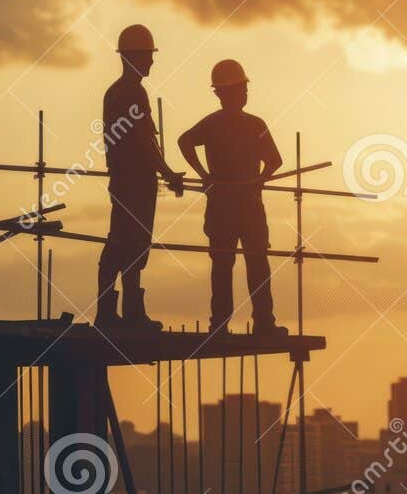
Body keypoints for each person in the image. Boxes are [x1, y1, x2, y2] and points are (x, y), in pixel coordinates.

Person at [178, 59, 287, 337]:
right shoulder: (227, 124)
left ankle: (249, 323)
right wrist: (205, 174)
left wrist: (259, 178)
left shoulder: (244, 125)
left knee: (246, 264)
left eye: (244, 88)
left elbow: (274, 160)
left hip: (236, 205)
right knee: (238, 264)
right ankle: (248, 323)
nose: (244, 93)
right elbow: (185, 141)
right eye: (240, 88)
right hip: (232, 206)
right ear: (224, 93)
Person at [95, 24, 183, 332]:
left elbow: (145, 140)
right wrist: (169, 173)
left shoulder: (116, 92)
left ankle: (116, 312)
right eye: (147, 55)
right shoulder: (132, 92)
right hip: (134, 183)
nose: (152, 62)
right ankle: (126, 313)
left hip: (125, 180)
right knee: (129, 244)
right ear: (133, 56)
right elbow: (145, 142)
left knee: (124, 243)